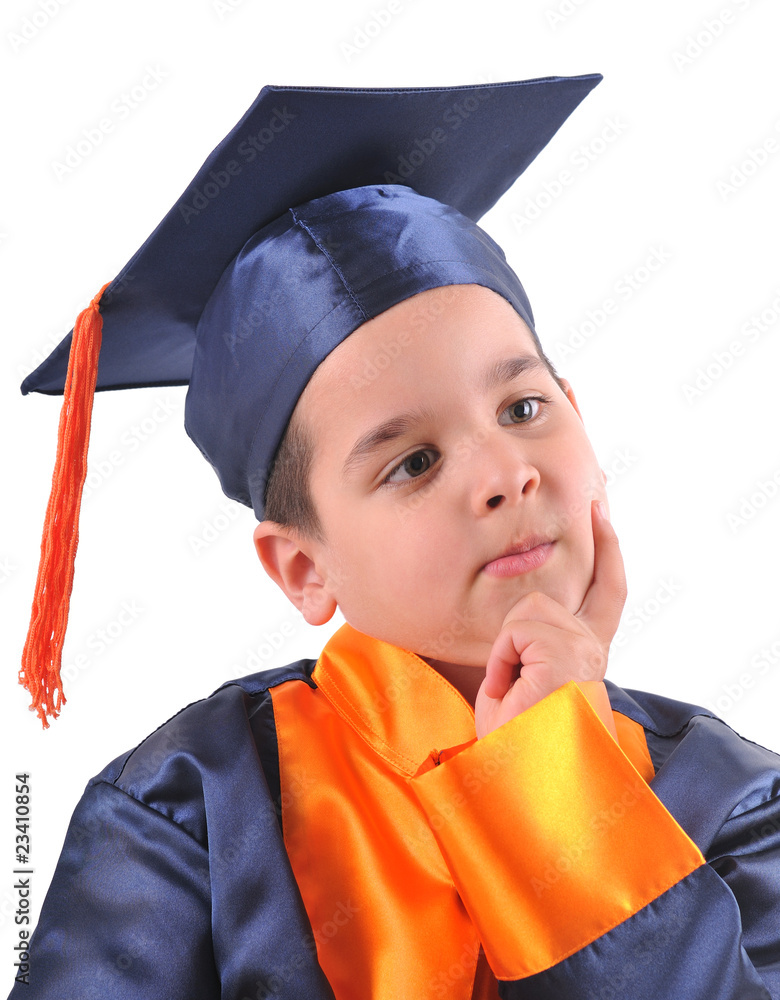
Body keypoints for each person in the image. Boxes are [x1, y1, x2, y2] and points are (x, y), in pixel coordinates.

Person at [9, 76, 780, 999]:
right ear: (303, 568)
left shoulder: (728, 798)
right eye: (412, 462)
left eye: (524, 407)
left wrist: (560, 780)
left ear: (580, 418)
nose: (505, 474)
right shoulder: (193, 805)